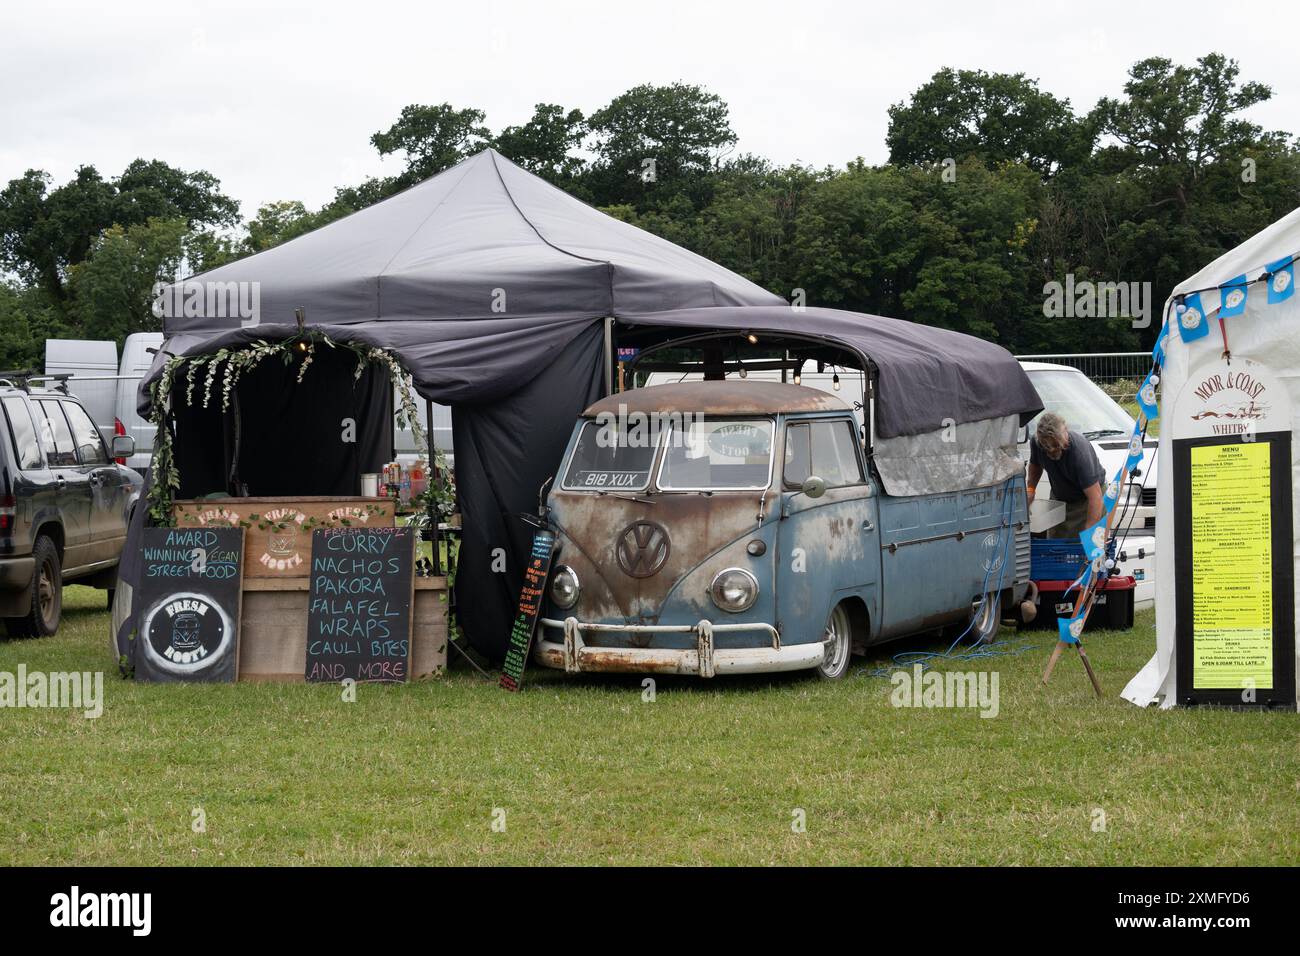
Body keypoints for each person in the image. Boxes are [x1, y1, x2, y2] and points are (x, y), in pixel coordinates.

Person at [1026, 412, 1105, 538]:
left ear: (1065, 432)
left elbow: (1095, 498)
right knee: (1056, 546)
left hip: (1086, 501)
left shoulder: (1080, 453)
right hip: (1059, 499)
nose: (1052, 450)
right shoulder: (1037, 442)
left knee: (1083, 546)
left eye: (1056, 445)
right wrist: (1031, 489)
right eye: (1047, 447)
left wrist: (1089, 533)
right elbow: (1035, 465)